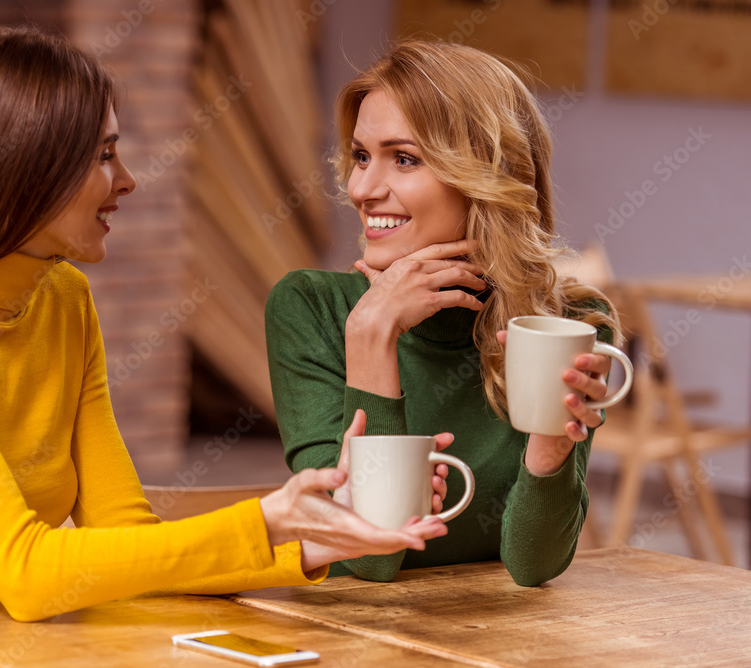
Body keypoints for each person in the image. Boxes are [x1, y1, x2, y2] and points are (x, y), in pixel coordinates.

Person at [0, 26, 449, 630]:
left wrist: (305, 544)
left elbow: (123, 531)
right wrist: (264, 521)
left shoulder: (64, 300)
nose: (127, 181)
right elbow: (25, 571)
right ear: (27, 167)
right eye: (104, 155)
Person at [265, 40, 622, 586]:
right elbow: (368, 560)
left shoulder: (566, 322)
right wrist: (372, 333)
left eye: (403, 159)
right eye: (361, 156)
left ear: (483, 176)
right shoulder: (309, 308)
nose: (361, 188)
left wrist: (553, 439)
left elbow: (533, 567)